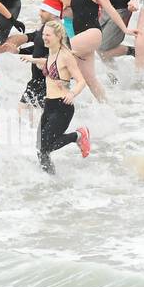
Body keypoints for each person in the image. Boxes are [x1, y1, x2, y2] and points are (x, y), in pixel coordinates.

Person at [36, 19, 92, 173]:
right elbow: (50, 65)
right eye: (43, 34)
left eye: (48, 35)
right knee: (40, 149)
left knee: (45, 147)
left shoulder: (66, 56)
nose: (44, 38)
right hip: (49, 105)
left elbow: (81, 81)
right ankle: (50, 181)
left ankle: (78, 135)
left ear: (58, 36)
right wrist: (32, 59)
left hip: (63, 107)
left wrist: (72, 93)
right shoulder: (51, 52)